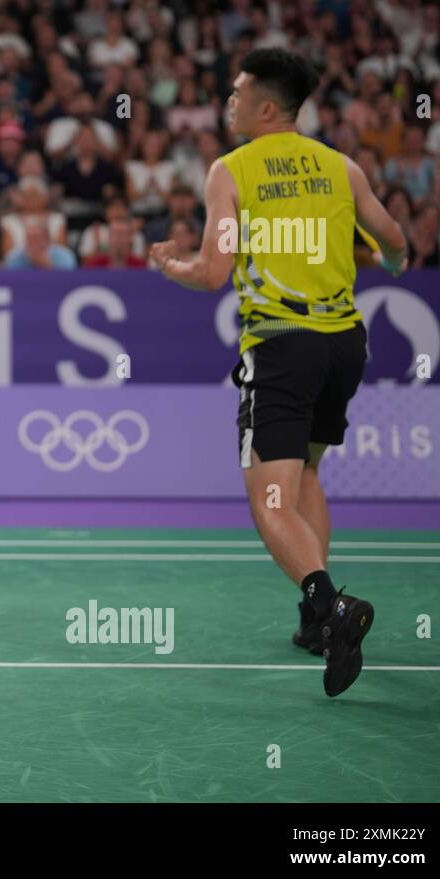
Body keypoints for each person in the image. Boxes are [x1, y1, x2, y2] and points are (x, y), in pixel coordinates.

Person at [149, 48, 407, 698]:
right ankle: (312, 622)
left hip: (282, 347)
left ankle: (331, 606)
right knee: (308, 473)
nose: (228, 102)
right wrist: (396, 265)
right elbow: (393, 238)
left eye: (237, 94)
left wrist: (170, 268)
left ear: (266, 106)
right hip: (345, 344)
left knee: (269, 503)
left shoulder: (229, 170)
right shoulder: (339, 165)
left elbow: (213, 272)